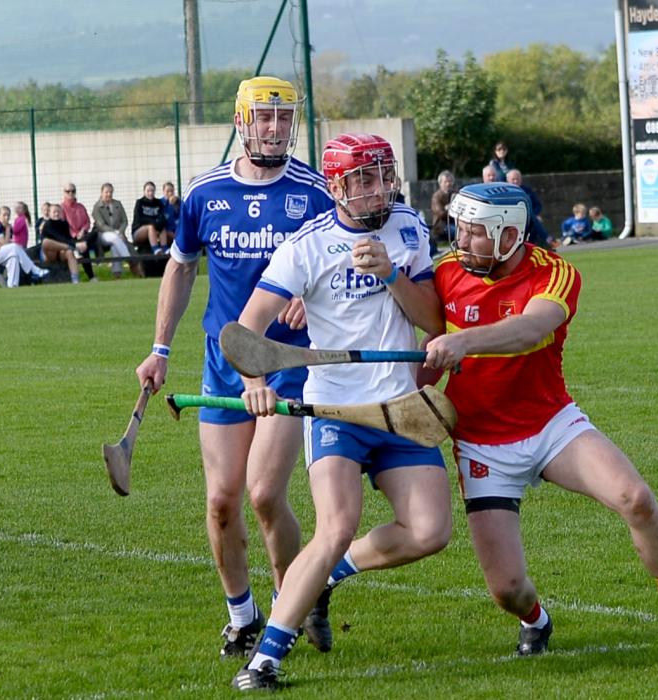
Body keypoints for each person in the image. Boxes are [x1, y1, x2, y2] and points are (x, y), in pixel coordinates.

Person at [419, 182, 658, 659]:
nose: (461, 239)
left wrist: (465, 341)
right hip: (481, 444)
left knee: (637, 499)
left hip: (551, 427)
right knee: (508, 590)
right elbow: (411, 334)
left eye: (475, 231)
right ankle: (537, 621)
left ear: (508, 237)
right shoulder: (443, 273)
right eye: (459, 228)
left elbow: (530, 328)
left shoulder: (555, 273)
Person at [228, 133, 450, 692]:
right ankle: (264, 660)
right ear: (336, 188)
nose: (380, 191)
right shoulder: (306, 247)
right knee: (335, 526)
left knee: (429, 532)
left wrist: (392, 275)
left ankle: (327, 579)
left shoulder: (409, 229)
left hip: (400, 409)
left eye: (384, 176)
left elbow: (433, 323)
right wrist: (255, 383)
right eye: (365, 180)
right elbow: (245, 331)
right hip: (336, 410)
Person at [134, 76, 335, 663]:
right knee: (222, 500)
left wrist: (312, 294)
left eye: (284, 117)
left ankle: (291, 603)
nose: (275, 129)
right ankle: (242, 617)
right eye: (264, 118)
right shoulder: (204, 192)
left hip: (287, 364)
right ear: (241, 122)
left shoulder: (316, 192)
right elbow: (180, 268)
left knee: (266, 492)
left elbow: (342, 266)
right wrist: (160, 349)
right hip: (224, 364)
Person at [0, 205, 50, 288]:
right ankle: (34, 270)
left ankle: (13, 286)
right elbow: (6, 243)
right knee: (14, 247)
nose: (6, 217)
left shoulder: (5, 227)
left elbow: (6, 244)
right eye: (4, 215)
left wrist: (3, 243)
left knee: (14, 257)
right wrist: (7, 231)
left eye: (8, 215)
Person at [91, 182, 140, 278]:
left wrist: (120, 232)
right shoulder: (97, 207)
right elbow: (101, 225)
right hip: (102, 235)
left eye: (110, 192)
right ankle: (128, 258)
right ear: (101, 193)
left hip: (119, 236)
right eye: (106, 192)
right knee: (114, 238)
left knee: (115, 245)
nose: (109, 194)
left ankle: (117, 274)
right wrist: (116, 232)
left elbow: (124, 221)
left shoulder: (118, 204)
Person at [61, 183, 98, 282]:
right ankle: (91, 277)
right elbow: (63, 225)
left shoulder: (80, 206)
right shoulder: (61, 208)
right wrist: (74, 234)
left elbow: (87, 221)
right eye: (68, 191)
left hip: (83, 235)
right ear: (64, 193)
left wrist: (83, 230)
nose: (70, 193)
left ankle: (80, 246)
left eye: (73, 191)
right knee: (83, 248)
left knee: (94, 233)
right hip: (70, 237)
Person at [506, 169, 551, 247]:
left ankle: (540, 243)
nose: (516, 181)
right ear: (508, 180)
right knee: (534, 219)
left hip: (530, 217)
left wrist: (536, 214)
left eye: (517, 179)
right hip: (513, 218)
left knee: (533, 219)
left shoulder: (527, 191)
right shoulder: (505, 192)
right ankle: (548, 239)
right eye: (513, 179)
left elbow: (538, 205)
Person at [39, 204, 82, 284]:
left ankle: (75, 278)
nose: (56, 214)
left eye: (58, 212)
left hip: (62, 252)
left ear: (62, 213)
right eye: (54, 212)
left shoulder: (64, 224)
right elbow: (58, 237)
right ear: (49, 213)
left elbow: (68, 238)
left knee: (69, 252)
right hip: (49, 254)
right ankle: (69, 247)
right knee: (46, 242)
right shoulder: (48, 224)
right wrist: (72, 245)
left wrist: (77, 243)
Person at [131, 181, 170, 254]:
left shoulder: (158, 202)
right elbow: (139, 219)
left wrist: (160, 223)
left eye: (152, 190)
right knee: (150, 227)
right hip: (139, 232)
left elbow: (162, 217)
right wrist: (153, 222)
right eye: (148, 191)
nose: (150, 193)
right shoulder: (140, 202)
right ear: (144, 191)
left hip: (155, 229)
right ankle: (155, 249)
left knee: (162, 227)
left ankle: (164, 248)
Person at [429, 169, 457, 247]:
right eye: (445, 182)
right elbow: (441, 213)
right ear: (440, 183)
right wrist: (452, 209)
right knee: (458, 231)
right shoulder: (437, 196)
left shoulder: (455, 194)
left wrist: (449, 208)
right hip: (441, 226)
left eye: (450, 181)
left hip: (455, 223)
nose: (448, 184)